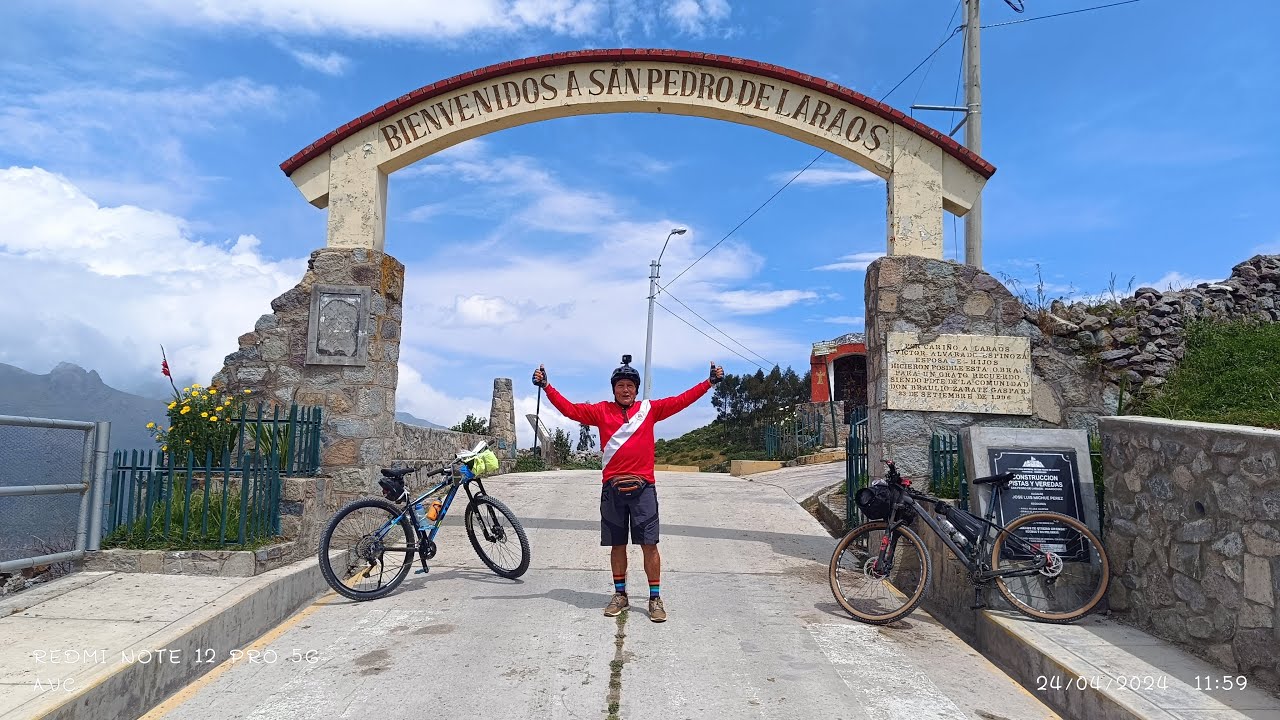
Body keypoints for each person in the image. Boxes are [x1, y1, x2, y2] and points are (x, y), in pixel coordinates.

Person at [532, 355, 724, 622]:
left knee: (650, 545)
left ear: (636, 389)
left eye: (630, 386)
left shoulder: (649, 410)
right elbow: (570, 410)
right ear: (614, 389)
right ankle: (620, 595)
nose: (626, 390)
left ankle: (654, 598)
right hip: (612, 489)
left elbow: (681, 401)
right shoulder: (601, 411)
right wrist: (547, 387)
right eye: (620, 385)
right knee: (617, 545)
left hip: (644, 489)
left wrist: (709, 383)